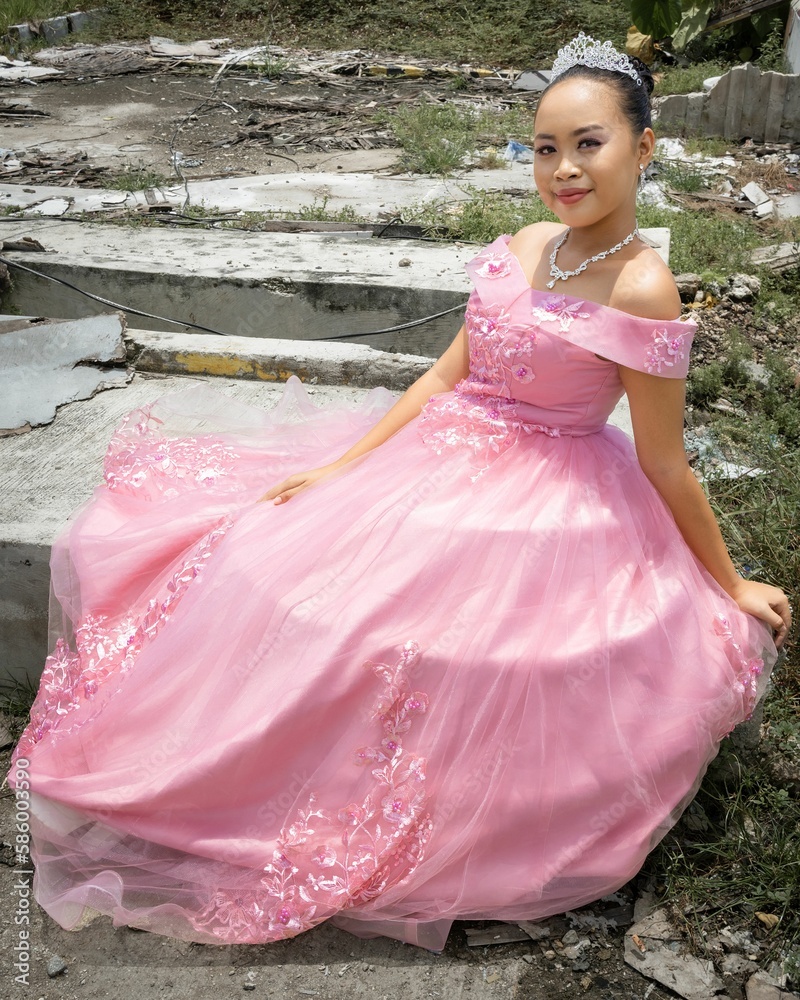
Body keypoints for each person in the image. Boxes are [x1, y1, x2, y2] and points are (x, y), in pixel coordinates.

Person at [5, 32, 791, 955]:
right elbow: (441, 378)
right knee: (278, 556)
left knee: (471, 653)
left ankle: (443, 811)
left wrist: (732, 584)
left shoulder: (645, 289)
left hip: (553, 493)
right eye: (544, 147)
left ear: (643, 146)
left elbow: (666, 463)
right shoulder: (528, 242)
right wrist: (345, 466)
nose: (564, 170)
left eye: (589, 142)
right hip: (446, 453)